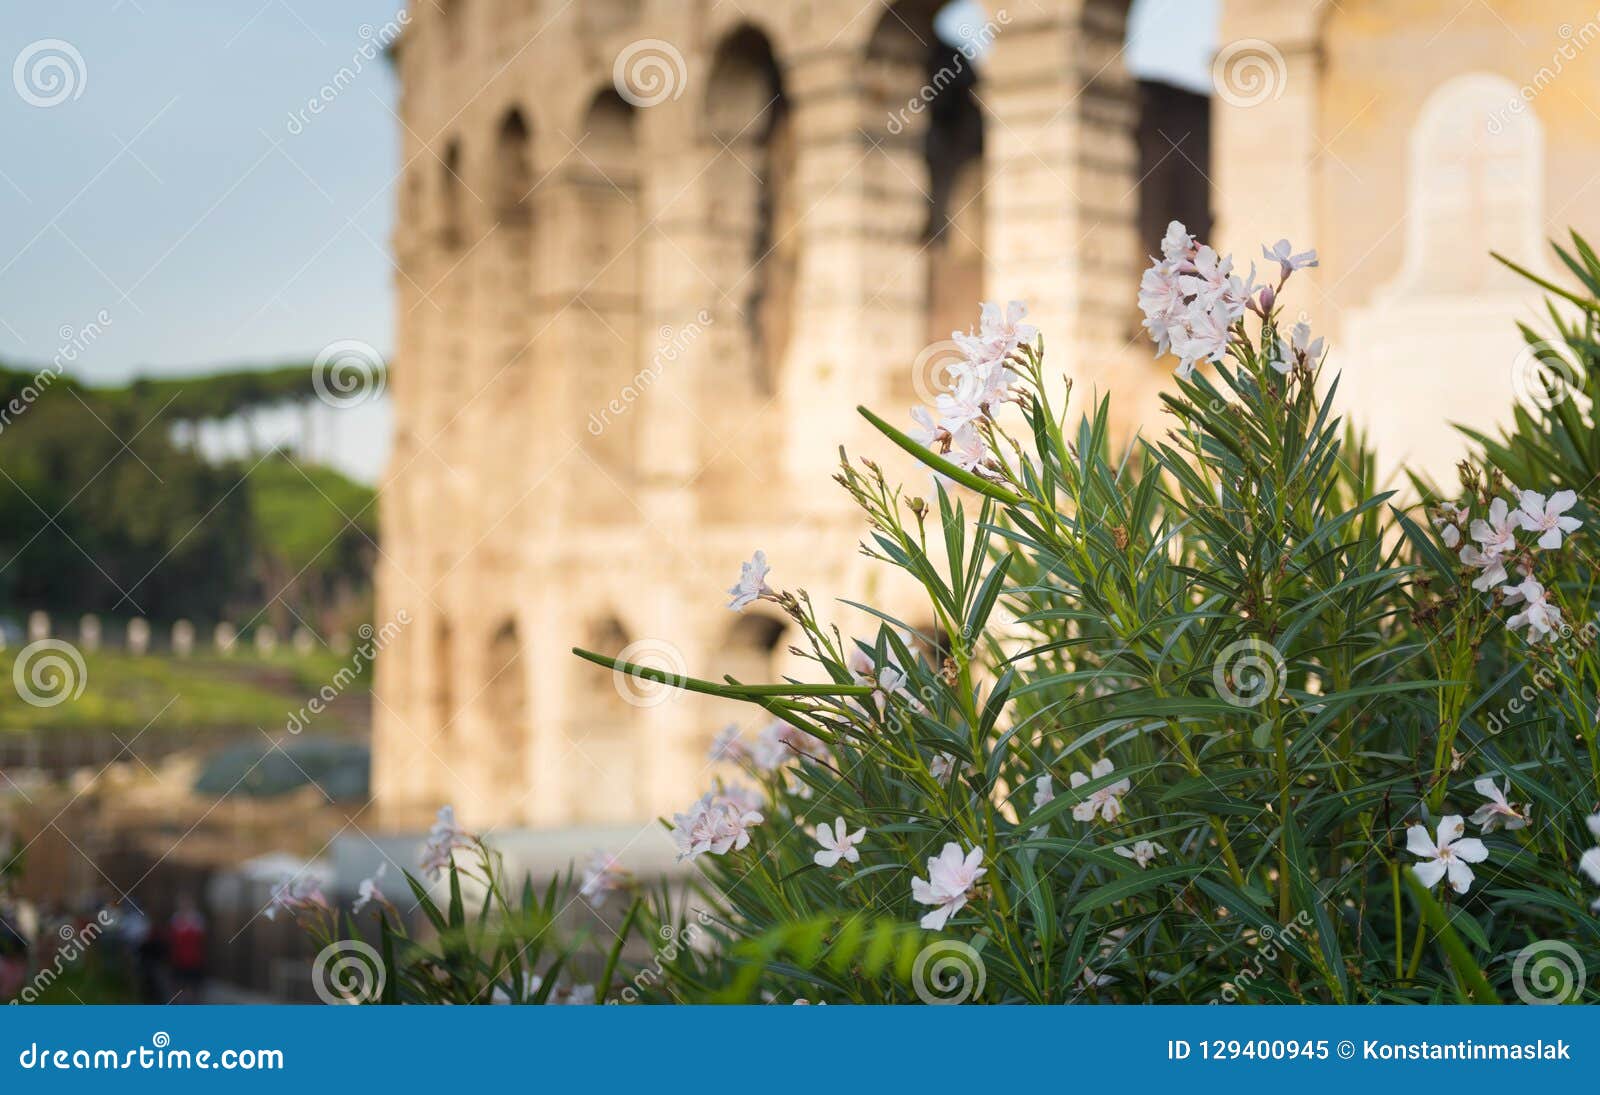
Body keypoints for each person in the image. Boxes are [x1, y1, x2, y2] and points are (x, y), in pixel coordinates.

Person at [167, 897, 207, 1003]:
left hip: (194, 960)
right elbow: (172, 940)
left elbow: (200, 939)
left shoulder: (198, 919)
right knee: (179, 986)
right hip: (179, 960)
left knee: (193, 987)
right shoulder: (175, 919)